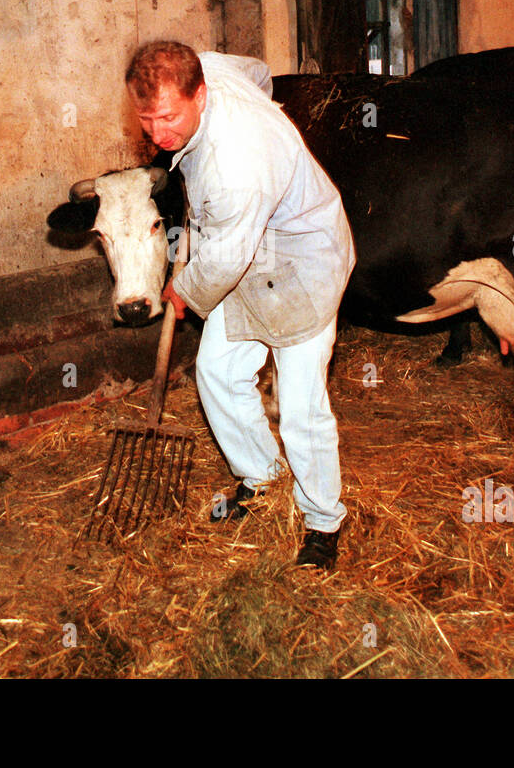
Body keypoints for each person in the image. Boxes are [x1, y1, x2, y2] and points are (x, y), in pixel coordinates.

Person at [124, 41, 356, 570]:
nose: (158, 135)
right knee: (217, 371)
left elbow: (225, 261)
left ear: (199, 94)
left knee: (300, 406)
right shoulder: (212, 66)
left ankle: (322, 522)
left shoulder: (237, 167)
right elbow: (259, 71)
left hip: (301, 259)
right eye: (145, 119)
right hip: (245, 246)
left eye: (169, 117)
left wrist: (183, 291)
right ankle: (262, 479)